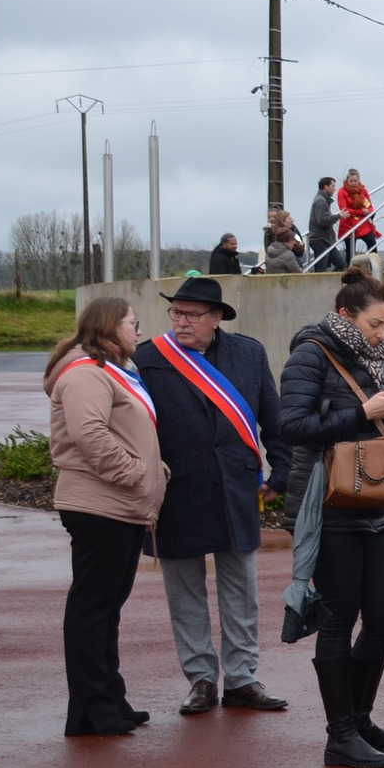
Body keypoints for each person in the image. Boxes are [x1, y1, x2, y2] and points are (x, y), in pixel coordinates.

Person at [132, 278, 293, 715]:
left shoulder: (248, 353)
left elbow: (273, 419)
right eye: (176, 313)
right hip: (176, 489)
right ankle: (201, 678)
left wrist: (280, 473)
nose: (182, 322)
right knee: (183, 589)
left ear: (217, 317)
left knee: (241, 588)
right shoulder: (148, 358)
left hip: (235, 485)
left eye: (193, 315)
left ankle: (241, 677)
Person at [278, 270, 384, 768]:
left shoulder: (372, 358)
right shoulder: (310, 352)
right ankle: (341, 735)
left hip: (370, 499)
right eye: (376, 324)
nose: (382, 334)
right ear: (345, 316)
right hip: (326, 502)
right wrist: (364, 411)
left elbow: (373, 423)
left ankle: (359, 719)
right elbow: (293, 426)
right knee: (338, 619)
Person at [44, 297, 166, 736]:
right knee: (93, 607)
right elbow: (89, 434)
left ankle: (108, 698)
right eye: (134, 322)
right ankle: (93, 707)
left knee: (105, 608)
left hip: (117, 503)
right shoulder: (86, 373)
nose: (140, 330)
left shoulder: (108, 370)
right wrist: (134, 473)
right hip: (100, 504)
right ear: (111, 326)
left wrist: (149, 473)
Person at [337, 170, 379, 258]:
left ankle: (374, 264)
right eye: (351, 181)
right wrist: (361, 212)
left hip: (363, 224)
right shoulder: (342, 191)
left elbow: (370, 207)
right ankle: (350, 267)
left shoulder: (363, 191)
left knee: (372, 243)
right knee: (350, 252)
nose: (353, 183)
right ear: (347, 180)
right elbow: (344, 209)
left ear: (359, 180)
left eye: (355, 181)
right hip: (348, 225)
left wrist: (368, 211)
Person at [308, 178, 343, 270]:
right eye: (333, 186)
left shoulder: (321, 199)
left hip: (325, 240)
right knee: (322, 269)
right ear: (326, 187)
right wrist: (338, 216)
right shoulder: (321, 201)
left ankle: (332, 279)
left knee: (342, 265)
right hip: (321, 240)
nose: (334, 189)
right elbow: (322, 220)